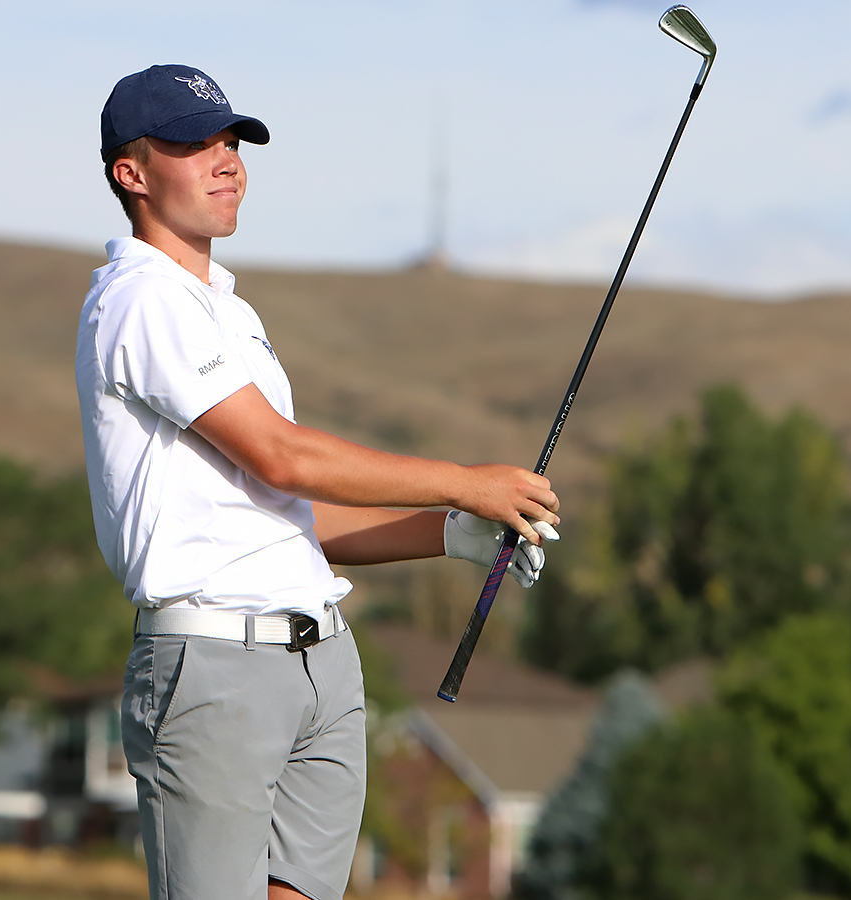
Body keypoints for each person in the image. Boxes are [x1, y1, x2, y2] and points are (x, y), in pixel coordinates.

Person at [76, 64, 562, 900]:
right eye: (195, 144)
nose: (227, 160)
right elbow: (283, 455)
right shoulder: (139, 300)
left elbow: (290, 511)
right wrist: (462, 481)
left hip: (322, 661)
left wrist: (452, 530)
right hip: (214, 664)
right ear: (133, 172)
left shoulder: (229, 312)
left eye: (232, 141)